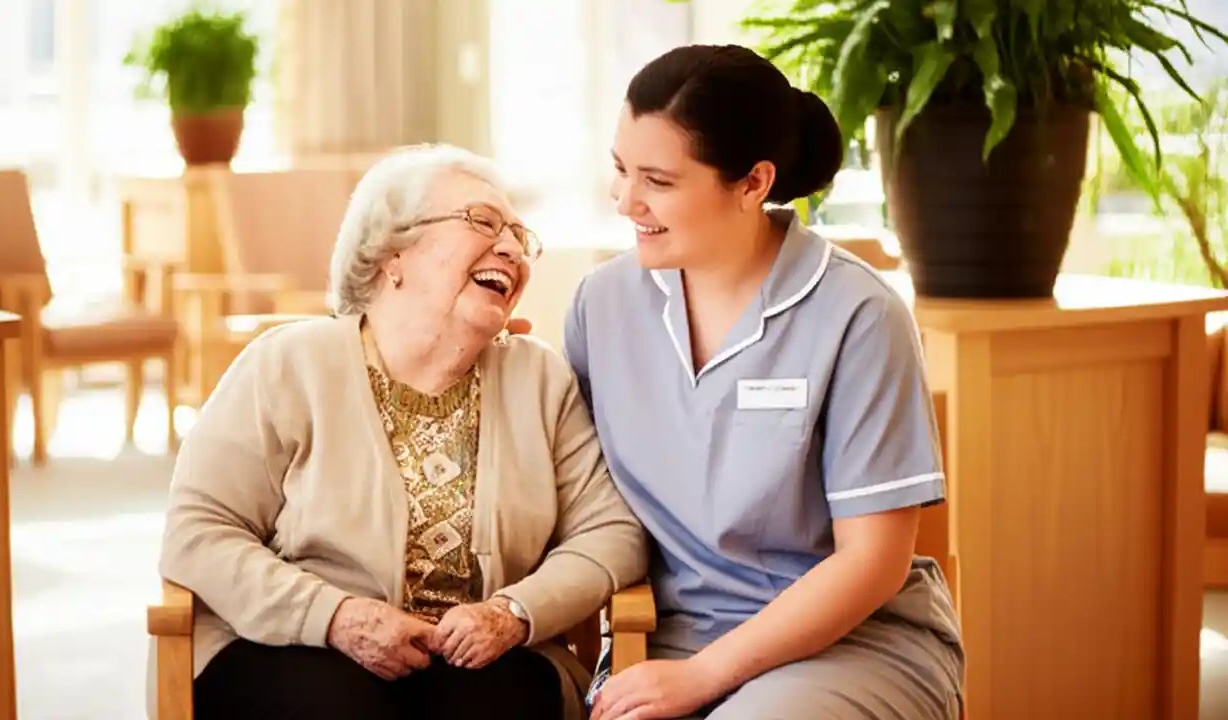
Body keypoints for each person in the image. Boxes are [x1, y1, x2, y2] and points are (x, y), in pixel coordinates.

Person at [155, 144, 648, 720]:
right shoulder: (287, 364)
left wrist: (512, 613)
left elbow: (612, 532)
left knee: (501, 702)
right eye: (484, 223)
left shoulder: (538, 377)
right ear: (393, 253)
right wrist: (335, 617)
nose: (511, 248)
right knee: (335, 705)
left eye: (520, 235)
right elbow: (198, 533)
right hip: (292, 646)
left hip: (485, 662)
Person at [567, 45, 965, 719]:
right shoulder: (601, 306)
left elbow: (872, 563)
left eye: (658, 181)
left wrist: (704, 677)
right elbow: (569, 491)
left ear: (753, 183)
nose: (626, 201)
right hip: (665, 639)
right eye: (620, 169)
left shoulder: (860, 316)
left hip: (852, 646)